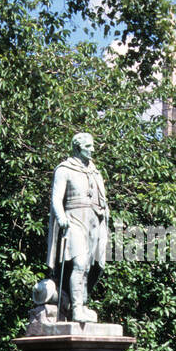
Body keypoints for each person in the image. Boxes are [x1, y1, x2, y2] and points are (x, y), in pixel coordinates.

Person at [46, 133, 109, 322]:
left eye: (92, 146)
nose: (92, 149)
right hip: (74, 219)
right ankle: (76, 310)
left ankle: (81, 304)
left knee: (90, 267)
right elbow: (56, 198)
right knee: (80, 263)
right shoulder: (64, 169)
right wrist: (61, 217)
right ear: (77, 147)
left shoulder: (94, 171)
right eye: (88, 146)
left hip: (94, 221)